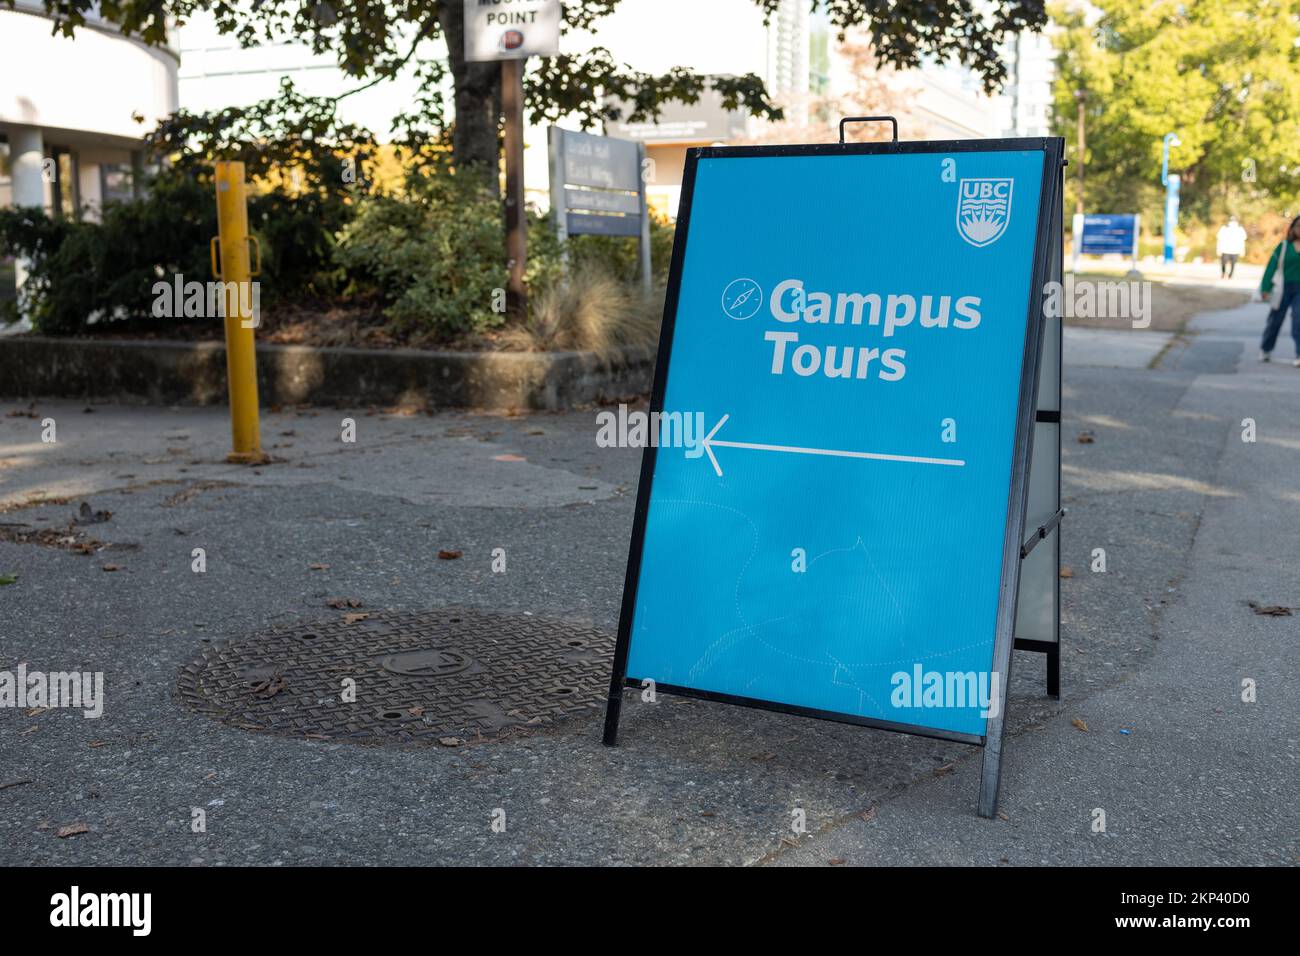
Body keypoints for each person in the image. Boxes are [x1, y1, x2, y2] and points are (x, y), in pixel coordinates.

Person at [1259, 216, 1300, 365]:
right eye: (1298, 226)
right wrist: (1265, 288)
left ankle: (1299, 354)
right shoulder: (1283, 246)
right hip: (1283, 288)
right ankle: (1266, 349)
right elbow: (1271, 267)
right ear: (1293, 229)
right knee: (1275, 320)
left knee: (1299, 320)